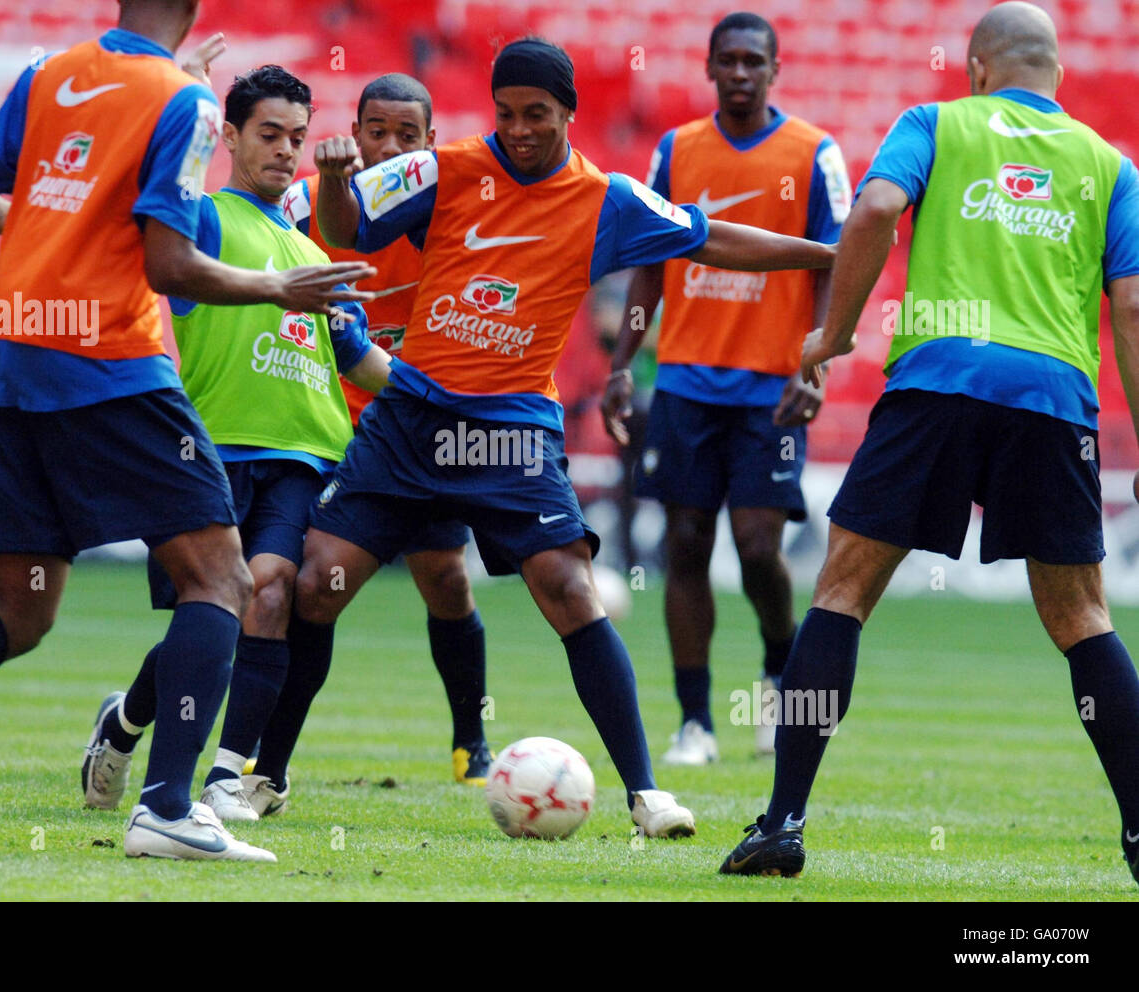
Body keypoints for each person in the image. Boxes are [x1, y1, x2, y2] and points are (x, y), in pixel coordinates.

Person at [0, 0, 372, 860]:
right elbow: (170, 268)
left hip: (11, 364)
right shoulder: (184, 100)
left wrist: (66, 229)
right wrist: (280, 289)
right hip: (108, 365)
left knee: (19, 610)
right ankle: (166, 805)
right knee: (222, 580)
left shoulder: (49, 72)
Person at [296, 36, 835, 838]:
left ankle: (646, 793)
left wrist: (828, 252)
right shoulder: (443, 170)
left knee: (565, 590)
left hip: (510, 430)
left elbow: (709, 237)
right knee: (310, 584)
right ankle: (251, 773)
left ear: (569, 115)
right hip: (402, 419)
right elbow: (350, 227)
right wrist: (336, 182)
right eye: (506, 113)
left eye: (536, 115)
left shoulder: (606, 198)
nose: (518, 129)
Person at [720, 1, 1139, 885]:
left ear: (979, 68)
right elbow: (1132, 307)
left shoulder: (936, 122)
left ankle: (783, 823)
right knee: (1080, 618)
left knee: (841, 593)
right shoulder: (1111, 166)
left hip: (937, 384)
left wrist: (832, 336)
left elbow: (873, 207)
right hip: (1054, 394)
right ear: (1056, 73)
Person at [82, 64, 390, 830]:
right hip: (207, 452)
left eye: (296, 137)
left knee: (270, 591)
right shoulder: (205, 222)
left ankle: (227, 776)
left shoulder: (312, 252)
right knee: (210, 613)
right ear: (227, 137)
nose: (285, 150)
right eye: (268, 134)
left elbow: (358, 361)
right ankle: (124, 721)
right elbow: (139, 223)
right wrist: (173, 103)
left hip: (304, 453)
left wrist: (449, 392)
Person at [604, 12, 849, 765]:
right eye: (728, 61)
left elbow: (833, 261)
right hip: (683, 382)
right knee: (685, 542)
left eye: (754, 61)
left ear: (775, 69)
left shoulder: (815, 154)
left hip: (770, 389)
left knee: (756, 548)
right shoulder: (677, 150)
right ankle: (695, 722)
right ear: (710, 68)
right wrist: (622, 362)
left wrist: (816, 366)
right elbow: (648, 263)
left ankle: (780, 680)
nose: (741, 73)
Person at [283, 71, 494, 787]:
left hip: (411, 418)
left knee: (444, 577)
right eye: (377, 131)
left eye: (409, 136)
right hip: (318, 417)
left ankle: (471, 738)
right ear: (355, 132)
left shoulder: (448, 211)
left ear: (431, 145)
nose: (390, 147)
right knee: (305, 581)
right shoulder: (309, 204)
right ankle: (254, 751)